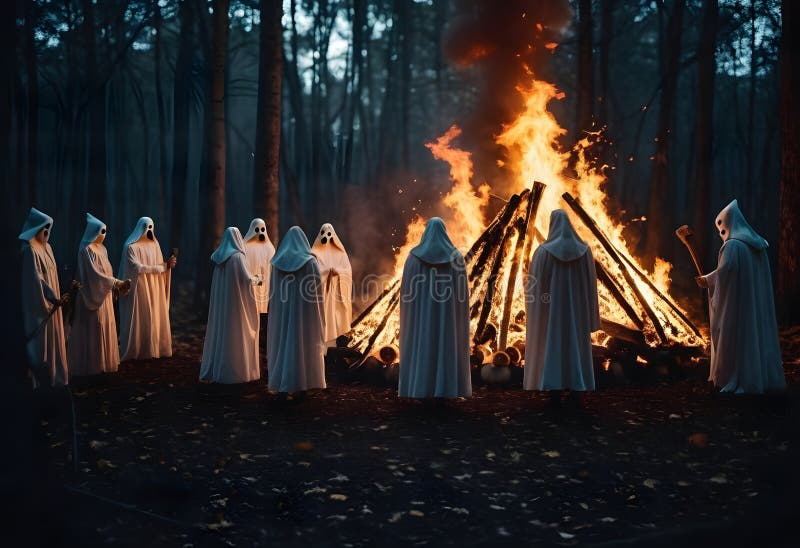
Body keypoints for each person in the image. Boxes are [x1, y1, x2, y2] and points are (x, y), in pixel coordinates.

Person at [696, 199, 785, 393]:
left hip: (738, 307)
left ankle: (734, 377)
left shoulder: (732, 246)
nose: (722, 233)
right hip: (753, 305)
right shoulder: (757, 245)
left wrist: (708, 280)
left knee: (736, 337)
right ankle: (760, 377)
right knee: (752, 336)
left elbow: (726, 271)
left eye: (722, 228)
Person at [524, 209, 600, 406]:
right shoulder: (584, 251)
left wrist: (537, 314)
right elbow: (591, 285)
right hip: (577, 312)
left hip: (551, 314)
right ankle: (577, 387)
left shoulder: (542, 252)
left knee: (554, 347)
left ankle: (554, 388)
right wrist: (590, 314)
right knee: (576, 347)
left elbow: (535, 286)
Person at [398, 217, 471, 400]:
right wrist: (458, 317)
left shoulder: (414, 259)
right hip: (447, 320)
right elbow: (461, 295)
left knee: (423, 345)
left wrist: (412, 316)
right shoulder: (456, 258)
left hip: (421, 320)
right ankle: (445, 388)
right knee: (445, 346)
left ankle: (420, 387)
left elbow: (407, 294)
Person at [266, 226, 326, 400]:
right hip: (304, 316)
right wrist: (318, 317)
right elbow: (316, 294)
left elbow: (274, 292)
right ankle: (302, 387)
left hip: (283, 315)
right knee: (302, 345)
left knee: (283, 345)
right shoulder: (310, 263)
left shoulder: (277, 263)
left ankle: (282, 388)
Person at [69, 213, 130, 376]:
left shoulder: (102, 249)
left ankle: (104, 364)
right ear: (93, 231)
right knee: (93, 329)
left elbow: (105, 272)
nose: (104, 235)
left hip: (104, 296)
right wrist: (116, 282)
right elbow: (95, 276)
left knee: (104, 325)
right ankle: (91, 367)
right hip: (91, 296)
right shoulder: (86, 250)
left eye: (105, 231)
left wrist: (113, 286)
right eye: (101, 231)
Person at [200, 227, 261, 384]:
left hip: (224, 306)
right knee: (237, 333)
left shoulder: (219, 258)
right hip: (236, 306)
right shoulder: (237, 257)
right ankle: (236, 372)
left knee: (224, 333)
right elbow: (245, 280)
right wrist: (258, 279)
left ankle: (220, 370)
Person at [19, 207, 69, 387]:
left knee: (54, 339)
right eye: (44, 227)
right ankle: (41, 379)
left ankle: (55, 376)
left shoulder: (47, 248)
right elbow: (35, 281)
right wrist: (51, 298)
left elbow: (51, 276)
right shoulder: (29, 250)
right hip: (42, 307)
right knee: (41, 343)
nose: (47, 231)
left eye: (49, 227)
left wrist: (57, 297)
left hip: (53, 305)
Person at [118, 217, 176, 361]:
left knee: (153, 314)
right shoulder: (130, 247)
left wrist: (167, 266)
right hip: (140, 286)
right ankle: (138, 349)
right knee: (141, 314)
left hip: (154, 286)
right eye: (146, 226)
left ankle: (154, 348)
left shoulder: (155, 244)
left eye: (151, 226)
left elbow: (160, 266)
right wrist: (161, 267)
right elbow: (137, 268)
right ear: (139, 227)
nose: (149, 230)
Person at [310, 223, 353, 345]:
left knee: (334, 321)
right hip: (321, 294)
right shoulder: (314, 253)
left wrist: (338, 272)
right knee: (321, 322)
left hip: (336, 296)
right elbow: (311, 273)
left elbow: (347, 271)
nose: (326, 237)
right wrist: (326, 272)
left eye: (329, 234)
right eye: (323, 233)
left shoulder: (340, 253)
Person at [242, 218, 275, 362]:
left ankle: (260, 351)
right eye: (257, 229)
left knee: (262, 320)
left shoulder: (270, 248)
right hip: (250, 287)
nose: (261, 232)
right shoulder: (244, 247)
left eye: (263, 229)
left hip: (265, 290)